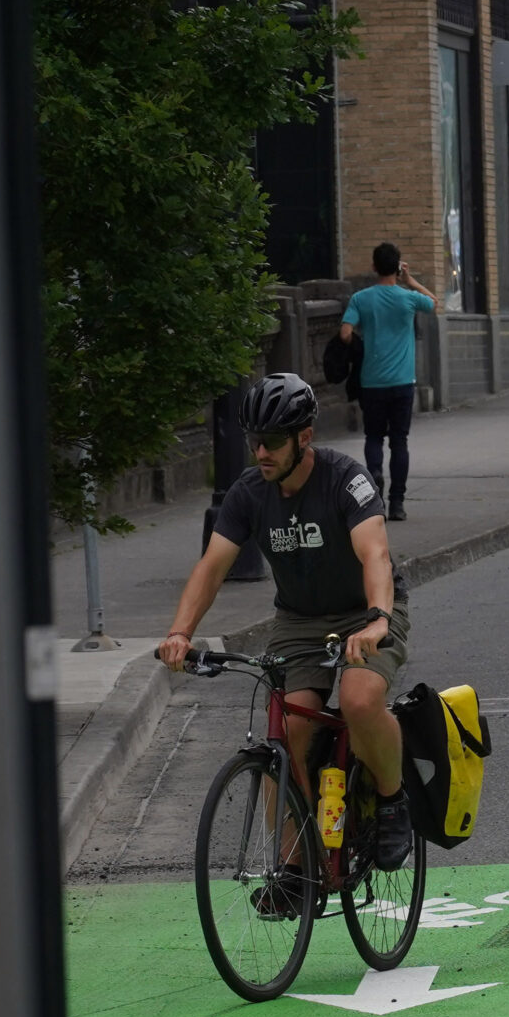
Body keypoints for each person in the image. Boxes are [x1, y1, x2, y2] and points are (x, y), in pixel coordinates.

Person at [157, 374, 416, 887]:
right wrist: (181, 632)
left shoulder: (346, 480)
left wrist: (378, 618)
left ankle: (391, 801)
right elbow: (211, 567)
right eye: (254, 440)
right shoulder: (249, 493)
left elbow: (375, 553)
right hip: (299, 621)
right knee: (290, 729)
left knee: (361, 700)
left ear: (304, 437)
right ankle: (295, 866)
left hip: (365, 612)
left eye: (272, 441)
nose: (260, 452)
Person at [339, 242, 437, 521]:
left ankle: (375, 484)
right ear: (397, 267)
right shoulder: (408, 298)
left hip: (372, 382)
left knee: (373, 437)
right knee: (399, 441)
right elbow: (434, 303)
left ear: (373, 267)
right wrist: (411, 280)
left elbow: (345, 333)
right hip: (403, 382)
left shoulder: (361, 298)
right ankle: (397, 503)